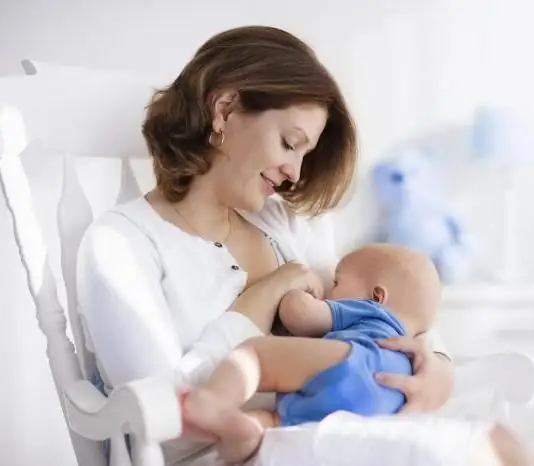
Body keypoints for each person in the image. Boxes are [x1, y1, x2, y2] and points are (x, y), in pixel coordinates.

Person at [76, 25, 454, 464]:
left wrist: (438, 368)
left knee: (488, 445)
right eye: (289, 143)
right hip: (228, 454)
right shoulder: (121, 244)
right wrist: (264, 296)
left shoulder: (283, 221)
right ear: (224, 109)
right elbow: (162, 424)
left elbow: (381, 310)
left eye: (304, 155)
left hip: (335, 439)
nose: (294, 171)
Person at [179, 243, 442, 463]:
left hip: (357, 361)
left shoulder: (370, 311)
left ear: (376, 296)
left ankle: (212, 402)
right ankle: (248, 433)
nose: (330, 290)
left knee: (256, 355)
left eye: (337, 282)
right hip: (386, 408)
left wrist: (299, 294)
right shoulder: (411, 356)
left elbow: (298, 314)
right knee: (281, 423)